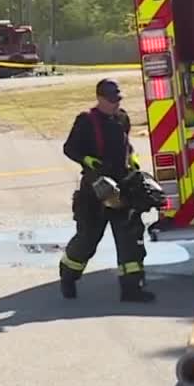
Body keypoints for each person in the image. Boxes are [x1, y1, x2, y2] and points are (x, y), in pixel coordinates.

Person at [58, 79, 155, 303]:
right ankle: (68, 277)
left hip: (122, 188)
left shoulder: (122, 118)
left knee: (130, 239)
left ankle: (132, 289)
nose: (115, 104)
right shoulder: (86, 121)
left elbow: (126, 145)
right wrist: (88, 160)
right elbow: (69, 148)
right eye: (111, 100)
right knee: (88, 239)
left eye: (118, 100)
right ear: (100, 98)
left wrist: (133, 158)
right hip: (95, 190)